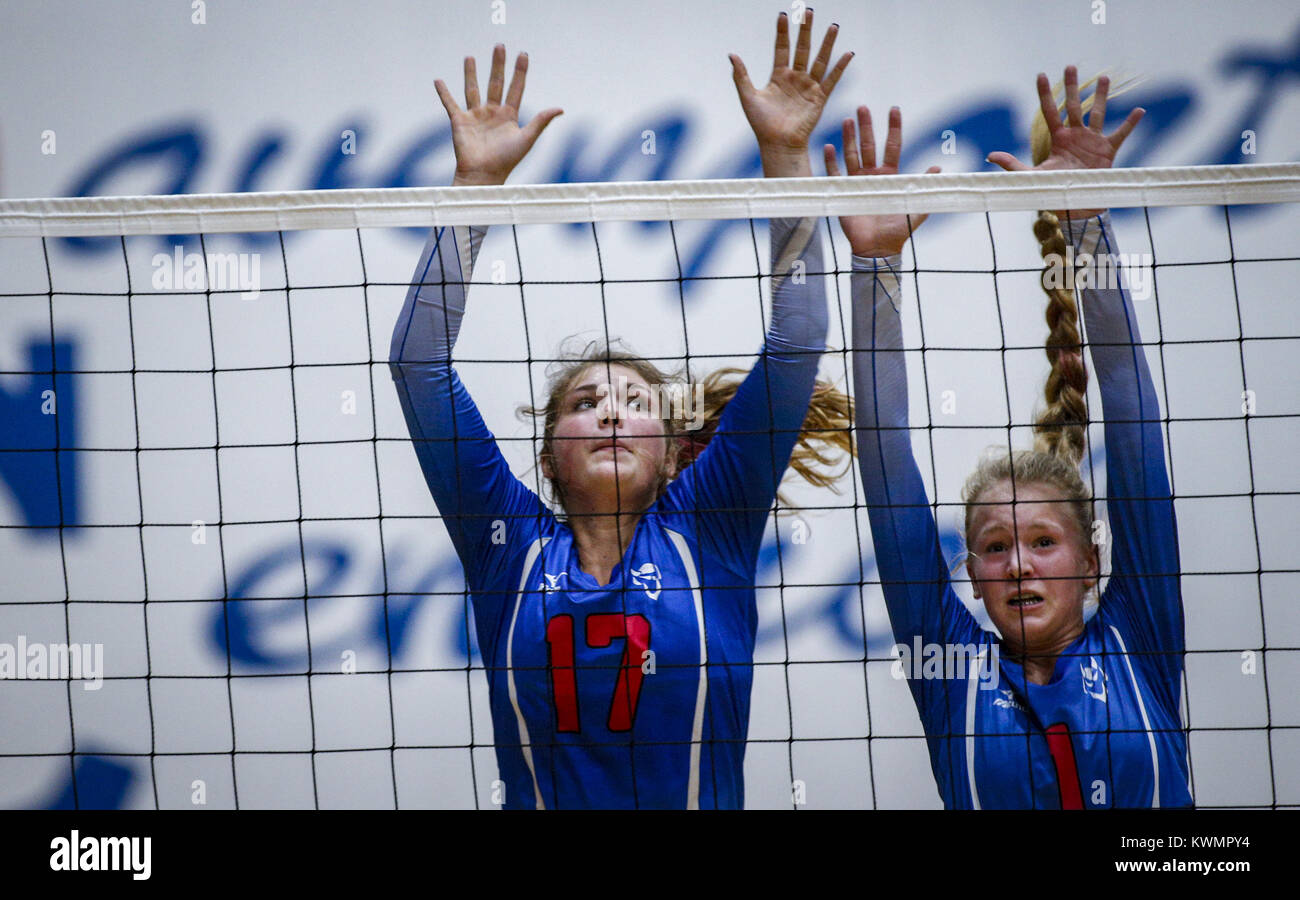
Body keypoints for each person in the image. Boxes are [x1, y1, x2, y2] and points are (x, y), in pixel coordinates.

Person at [389, 11, 853, 809]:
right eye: (584, 402)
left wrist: (785, 155)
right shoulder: (506, 544)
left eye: (635, 402)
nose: (608, 414)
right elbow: (416, 365)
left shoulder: (710, 526)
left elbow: (799, 337)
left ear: (674, 454)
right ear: (546, 458)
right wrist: (473, 191)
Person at [839, 68, 1192, 807]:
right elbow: (881, 445)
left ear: (1093, 561)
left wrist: (1086, 223)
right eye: (995, 547)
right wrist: (875, 263)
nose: (1019, 565)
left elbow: (1128, 401)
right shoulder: (950, 669)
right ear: (969, 574)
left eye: (1042, 541)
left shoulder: (1141, 635)